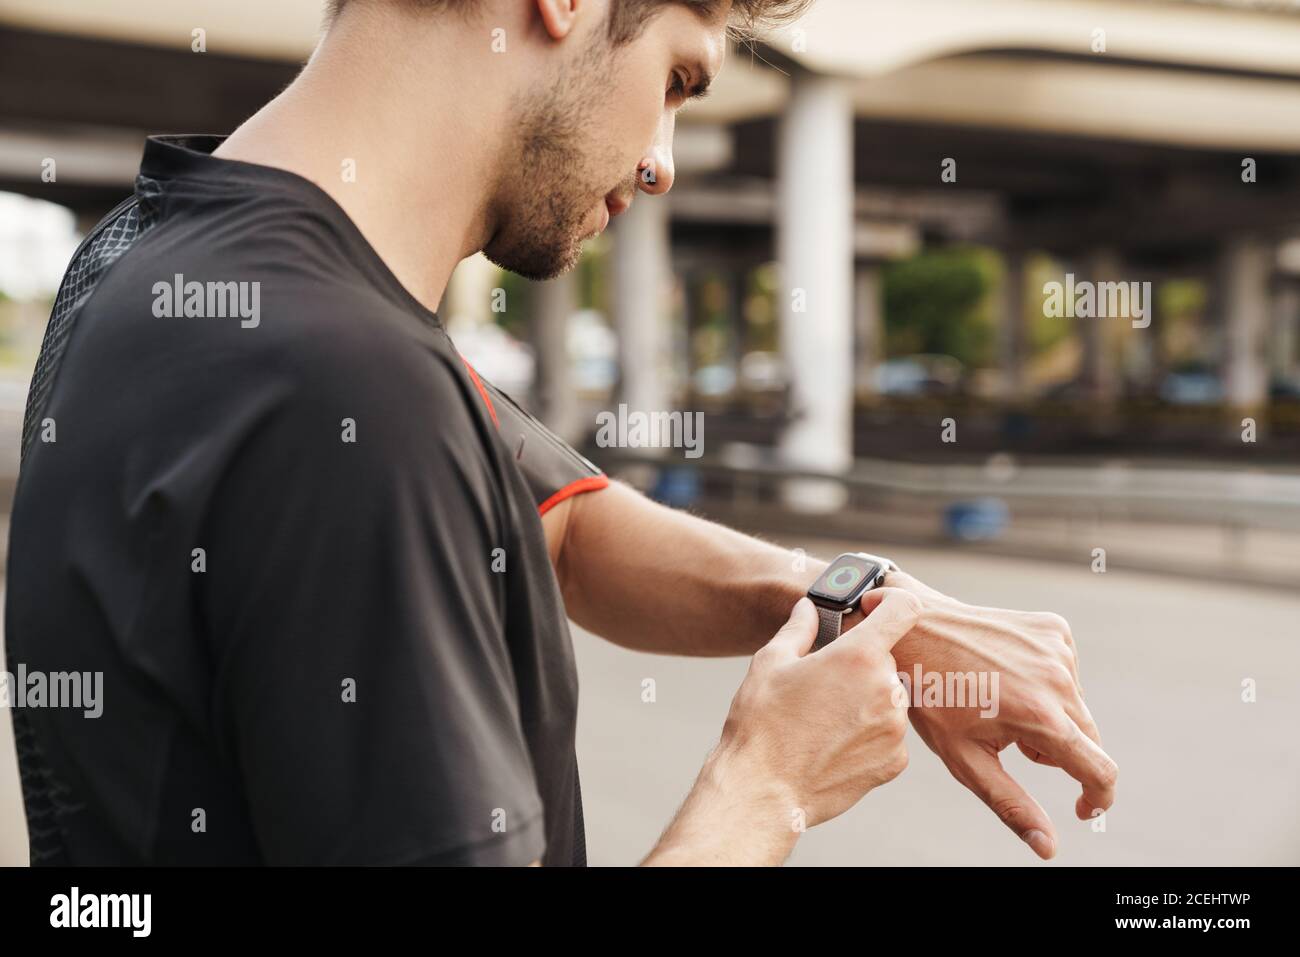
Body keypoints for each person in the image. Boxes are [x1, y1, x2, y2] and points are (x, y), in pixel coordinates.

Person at [6, 0, 1115, 866]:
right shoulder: (351, 388)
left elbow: (562, 527)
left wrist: (874, 610)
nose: (662, 160)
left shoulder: (153, 261)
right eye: (677, 77)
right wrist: (766, 785)